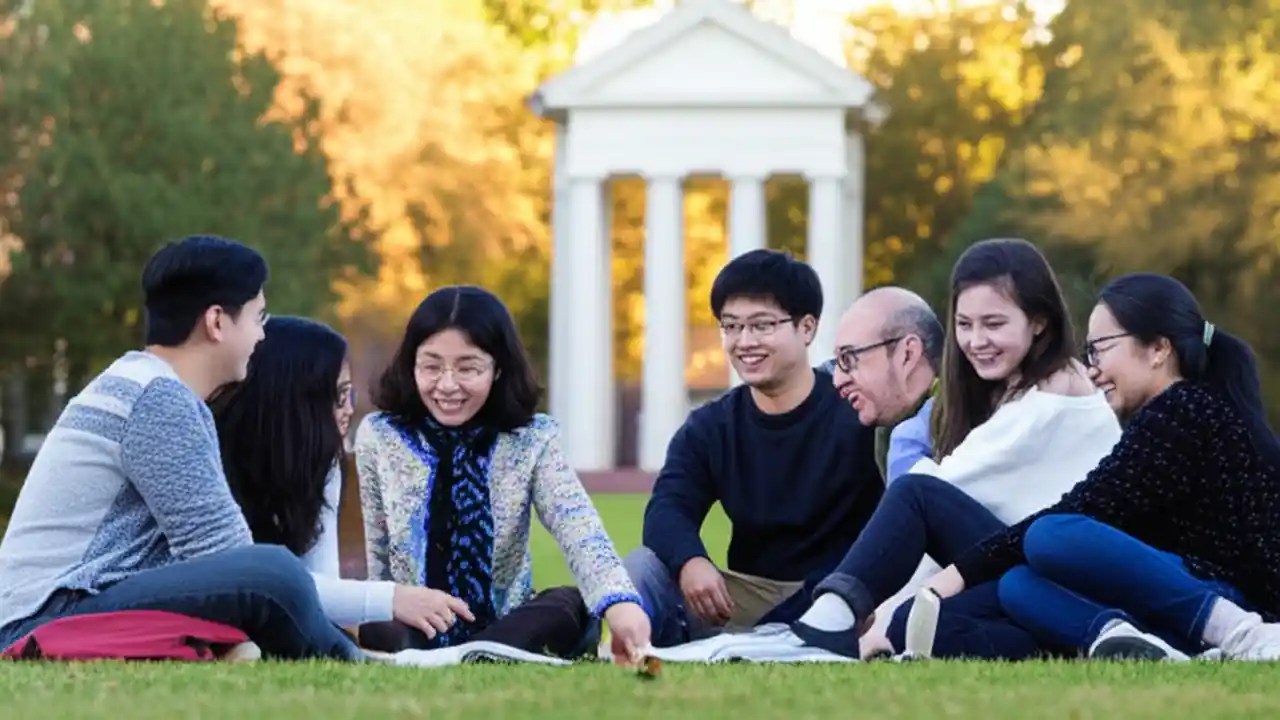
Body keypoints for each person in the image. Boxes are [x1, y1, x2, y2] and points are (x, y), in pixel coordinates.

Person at [0, 235, 363, 660]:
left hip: (61, 604)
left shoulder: (142, 384)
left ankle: (327, 654)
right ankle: (359, 661)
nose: (262, 336)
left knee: (271, 573)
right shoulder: (158, 399)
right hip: (46, 616)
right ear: (216, 322)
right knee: (275, 572)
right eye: (257, 318)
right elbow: (228, 558)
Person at [788, 238, 1121, 660]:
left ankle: (833, 613)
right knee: (918, 622)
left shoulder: (1052, 398)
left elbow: (934, 499)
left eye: (994, 324)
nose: (976, 340)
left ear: (1038, 321)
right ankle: (1066, 646)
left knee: (915, 493)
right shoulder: (1021, 391)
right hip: (1029, 578)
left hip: (1064, 579)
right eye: (965, 325)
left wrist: (863, 611)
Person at [936, 273, 1280, 662]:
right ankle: (1140, 645)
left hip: (1232, 598)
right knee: (1018, 583)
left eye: (1099, 349)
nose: (1092, 369)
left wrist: (959, 572)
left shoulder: (1185, 409)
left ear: (1158, 349)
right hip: (1184, 608)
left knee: (1051, 535)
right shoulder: (1175, 414)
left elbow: (1080, 509)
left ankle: (1243, 634)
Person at [352, 285, 650, 663]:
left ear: (497, 370)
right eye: (431, 366)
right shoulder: (380, 435)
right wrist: (390, 603)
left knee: (568, 604)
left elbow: (578, 526)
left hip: (508, 617)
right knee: (378, 625)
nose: (447, 385)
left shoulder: (532, 438)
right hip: (412, 618)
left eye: (467, 368)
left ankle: (478, 651)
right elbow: (374, 551)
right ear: (411, 366)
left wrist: (622, 604)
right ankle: (481, 654)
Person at [624, 249, 884, 647]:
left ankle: (780, 640)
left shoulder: (856, 412)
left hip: (840, 591)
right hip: (745, 598)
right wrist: (691, 561)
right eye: (731, 327)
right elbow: (667, 508)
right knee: (642, 566)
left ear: (807, 328)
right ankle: (639, 665)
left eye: (762, 326)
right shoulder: (710, 426)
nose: (744, 342)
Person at [210, 316, 482, 641]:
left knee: (395, 634)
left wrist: (403, 602)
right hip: (199, 611)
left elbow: (315, 585)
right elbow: (249, 581)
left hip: (267, 617)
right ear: (292, 401)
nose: (348, 410)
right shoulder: (211, 458)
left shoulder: (320, 465)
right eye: (338, 396)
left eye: (349, 395)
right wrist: (393, 597)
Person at [827, 286, 944, 483]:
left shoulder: (972, 427)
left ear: (907, 354)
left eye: (848, 358)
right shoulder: (871, 436)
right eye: (836, 363)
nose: (837, 381)